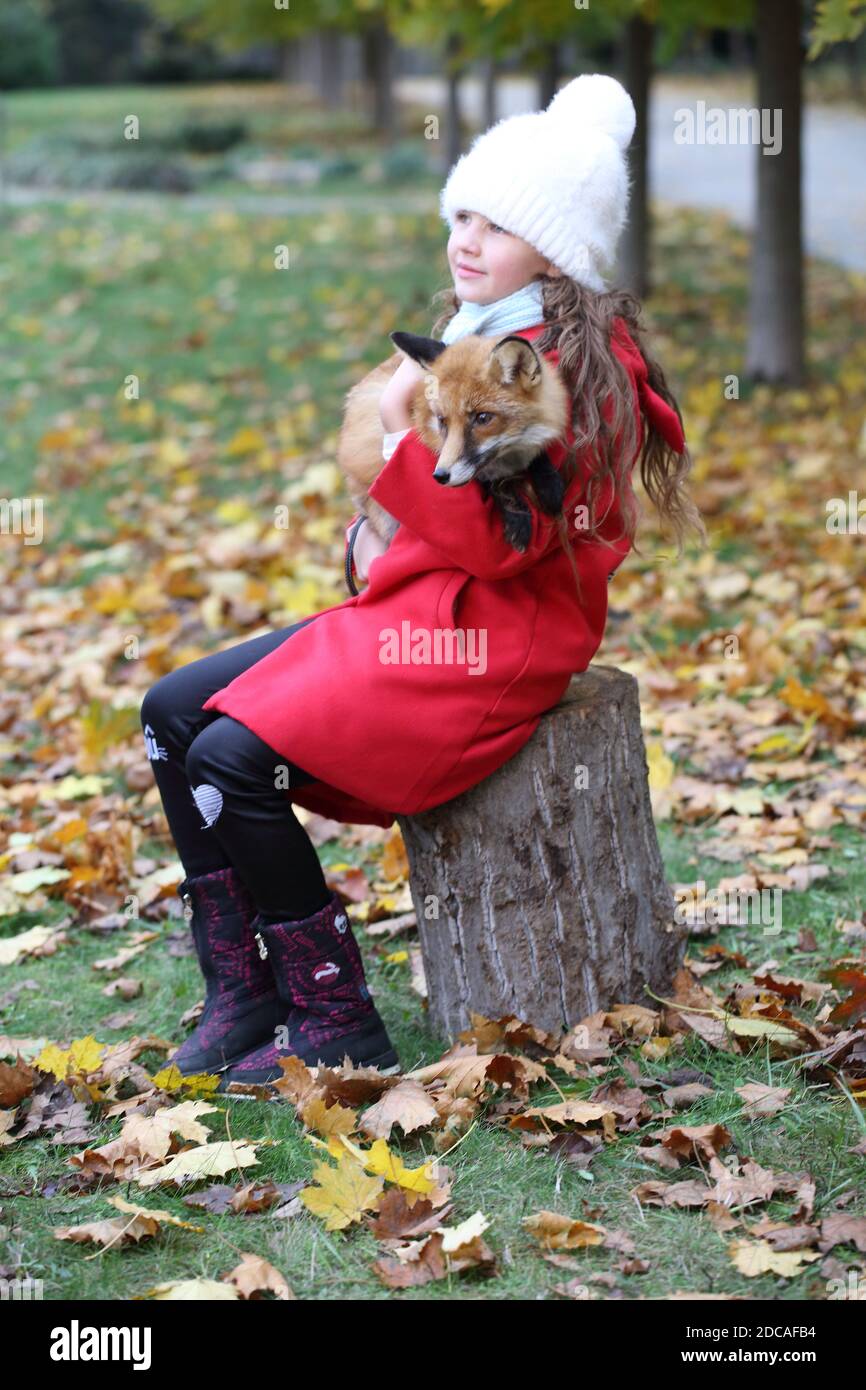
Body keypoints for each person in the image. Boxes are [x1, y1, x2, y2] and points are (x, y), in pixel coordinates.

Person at [139, 72, 705, 1095]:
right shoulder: (483, 335)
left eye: (496, 222)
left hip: (495, 638)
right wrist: (399, 426)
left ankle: (333, 1013)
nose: (465, 238)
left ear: (560, 246)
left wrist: (396, 432)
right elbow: (409, 473)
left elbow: (496, 548)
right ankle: (244, 988)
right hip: (421, 605)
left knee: (229, 756)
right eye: (459, 214)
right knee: (168, 711)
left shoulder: (562, 368)